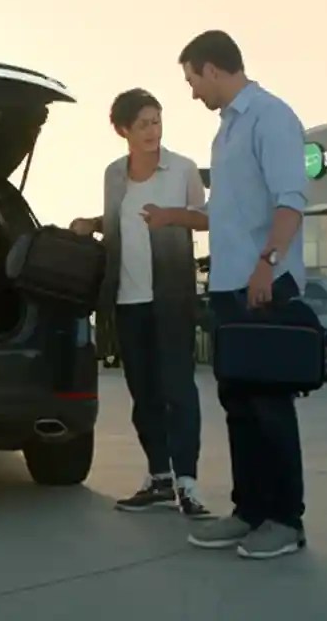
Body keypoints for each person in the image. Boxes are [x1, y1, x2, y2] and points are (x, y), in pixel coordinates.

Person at [177, 30, 311, 559]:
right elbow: (220, 212)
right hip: (231, 289)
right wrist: (172, 217)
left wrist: (267, 262)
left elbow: (291, 201)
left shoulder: (271, 117)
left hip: (264, 285)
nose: (192, 93)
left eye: (192, 80)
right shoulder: (225, 132)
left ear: (213, 69)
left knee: (270, 406)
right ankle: (249, 512)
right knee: (238, 406)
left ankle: (285, 520)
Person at [69, 88, 212, 518]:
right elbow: (117, 224)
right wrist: (91, 223)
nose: (153, 130)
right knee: (144, 394)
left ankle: (187, 482)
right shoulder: (114, 174)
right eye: (144, 123)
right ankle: (159, 478)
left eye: (157, 120)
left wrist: (171, 216)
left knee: (178, 390)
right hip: (126, 300)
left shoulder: (183, 169)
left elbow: (207, 218)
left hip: (170, 297)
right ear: (123, 130)